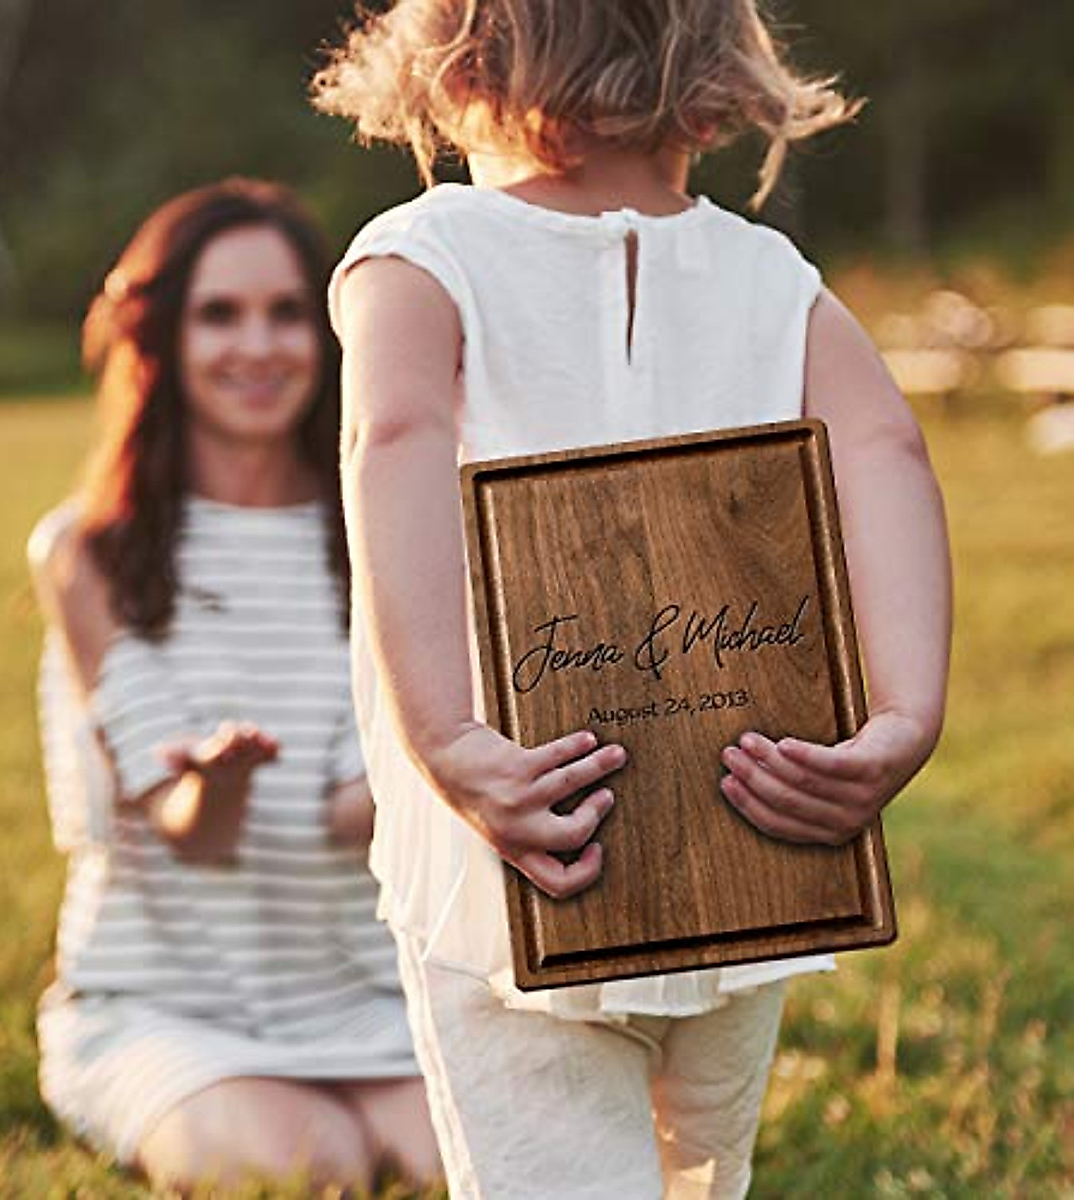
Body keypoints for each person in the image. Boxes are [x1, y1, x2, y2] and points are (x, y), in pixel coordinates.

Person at [313, 3, 953, 1197]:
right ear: (716, 80)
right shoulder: (771, 277)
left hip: (523, 823)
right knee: (706, 1172)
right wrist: (904, 715)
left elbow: (392, 443)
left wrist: (449, 738)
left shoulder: (422, 255)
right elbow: (887, 452)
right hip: (746, 826)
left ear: (459, 65)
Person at [28, 178, 442, 1193]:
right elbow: (193, 832)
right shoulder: (87, 554)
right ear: (163, 337)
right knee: (312, 1165)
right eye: (219, 314)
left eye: (286, 313)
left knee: (459, 1165)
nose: (257, 346)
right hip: (168, 1006)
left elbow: (356, 813)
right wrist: (219, 780)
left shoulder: (385, 533)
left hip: (369, 1000)